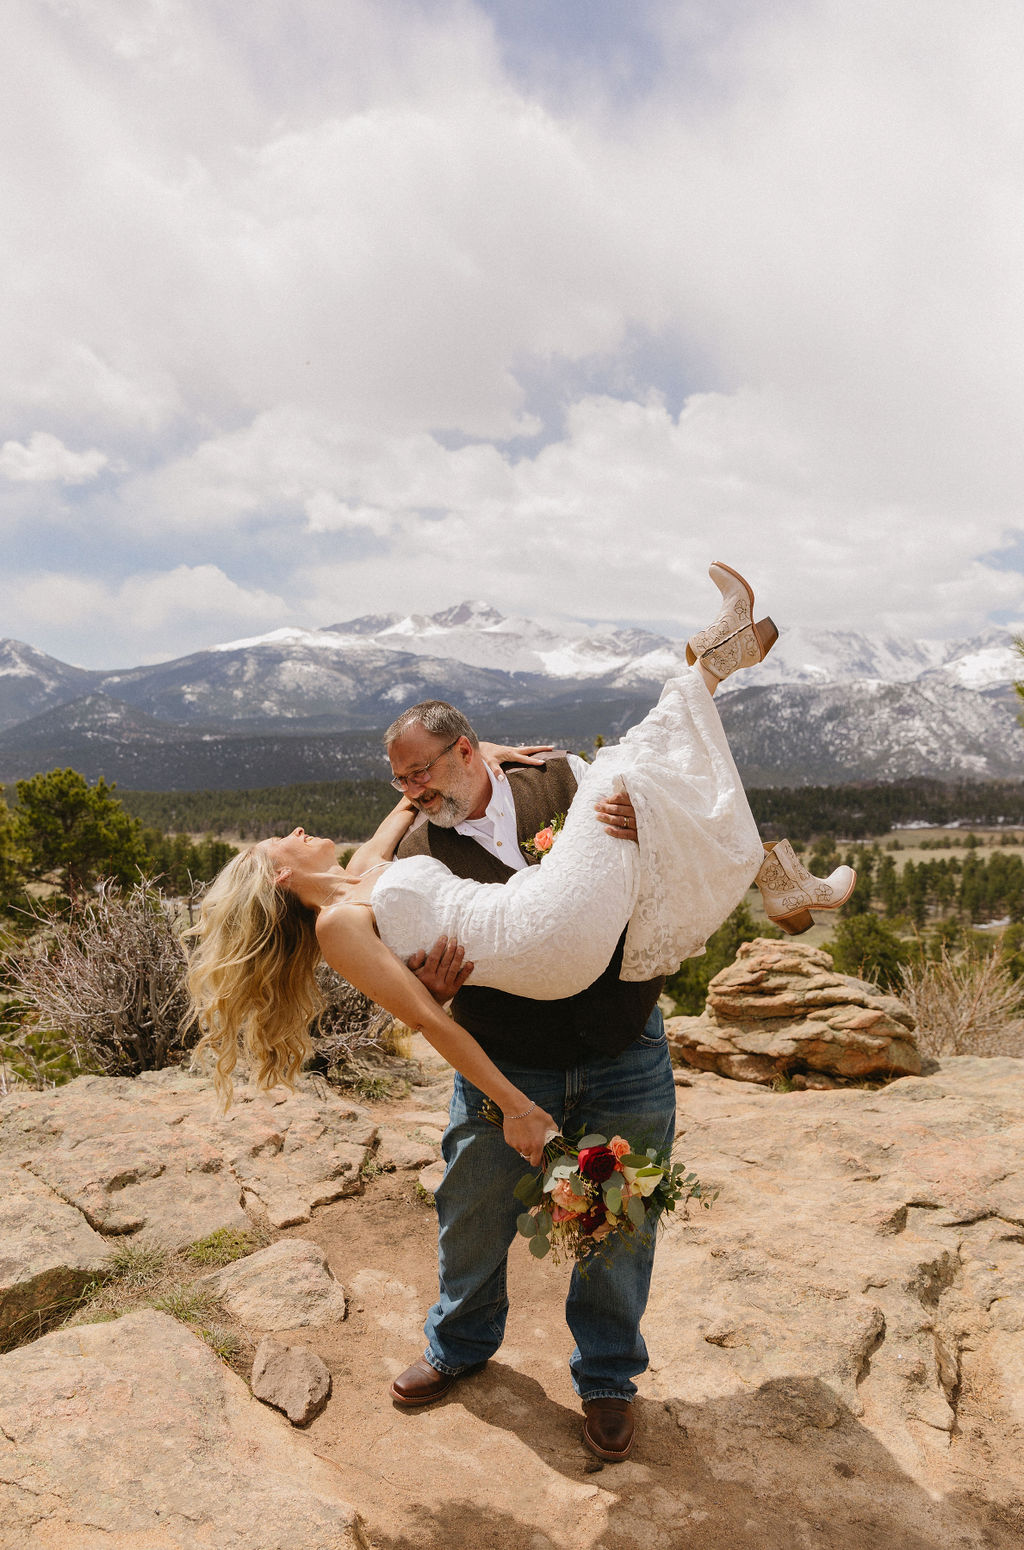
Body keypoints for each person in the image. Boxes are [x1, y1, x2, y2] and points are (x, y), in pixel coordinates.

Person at [186, 562, 854, 1462]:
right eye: (404, 784)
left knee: (626, 1210)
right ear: (282, 874)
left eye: (424, 773)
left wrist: (545, 786)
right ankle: (458, 1349)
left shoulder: (532, 787)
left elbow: (379, 847)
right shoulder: (371, 889)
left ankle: (608, 1376)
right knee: (472, 1208)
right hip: (521, 1028)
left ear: (467, 751)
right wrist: (491, 1066)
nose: (410, 795)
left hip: (618, 1037)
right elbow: (426, 1014)